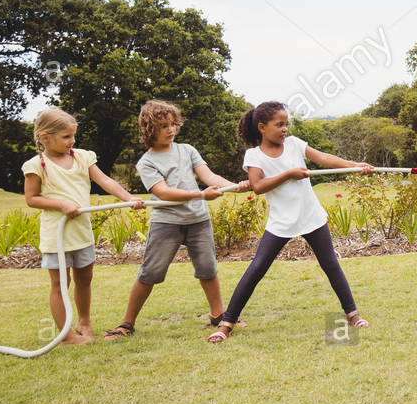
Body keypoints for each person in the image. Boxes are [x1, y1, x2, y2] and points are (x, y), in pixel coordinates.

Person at [208, 102, 374, 343]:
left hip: (311, 216)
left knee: (331, 265)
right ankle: (226, 324)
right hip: (281, 222)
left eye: (286, 124)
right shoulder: (254, 155)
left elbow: (324, 158)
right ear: (262, 127)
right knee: (256, 269)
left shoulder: (295, 144)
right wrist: (288, 174)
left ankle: (353, 315)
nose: (285, 129)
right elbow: (257, 187)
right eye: (279, 124)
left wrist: (355, 166)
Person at [105, 100, 249, 340]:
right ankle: (127, 324)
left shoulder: (187, 150)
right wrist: (201, 194)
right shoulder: (146, 162)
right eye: (163, 126)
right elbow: (163, 192)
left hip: (198, 220)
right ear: (149, 129)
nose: (171, 129)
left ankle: (218, 316)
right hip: (166, 223)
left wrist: (235, 187)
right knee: (149, 273)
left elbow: (209, 176)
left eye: (173, 124)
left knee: (207, 269)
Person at [22, 107, 143, 345]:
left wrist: (127, 198)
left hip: (81, 232)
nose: (72, 140)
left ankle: (83, 322)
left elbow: (105, 180)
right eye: (66, 136)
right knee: (60, 283)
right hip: (56, 236)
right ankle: (66, 336)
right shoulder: (36, 165)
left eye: (73, 135)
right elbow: (31, 198)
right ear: (45, 137)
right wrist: (61, 204)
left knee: (85, 278)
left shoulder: (82, 157)